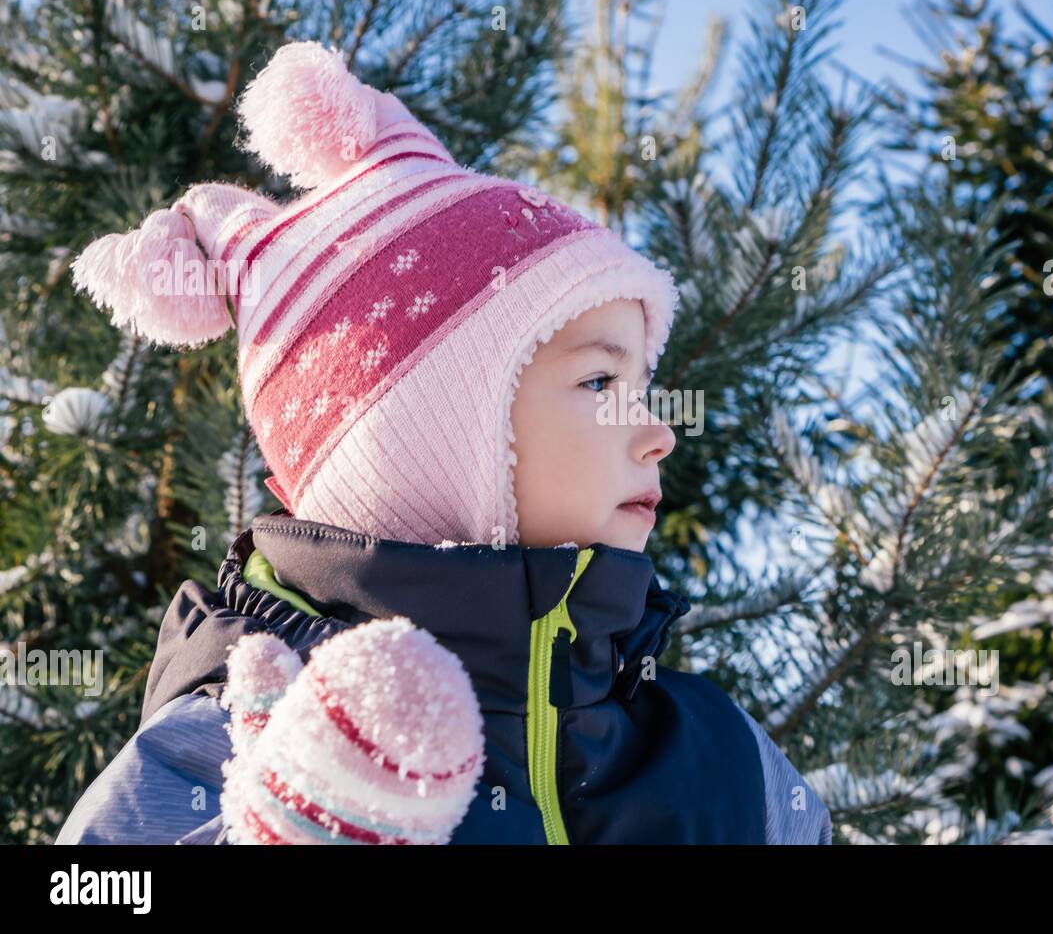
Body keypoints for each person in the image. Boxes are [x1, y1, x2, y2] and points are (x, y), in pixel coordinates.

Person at [54, 41, 832, 845]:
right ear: (415, 444)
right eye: (601, 385)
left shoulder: (723, 763)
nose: (659, 432)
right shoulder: (235, 742)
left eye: (641, 386)